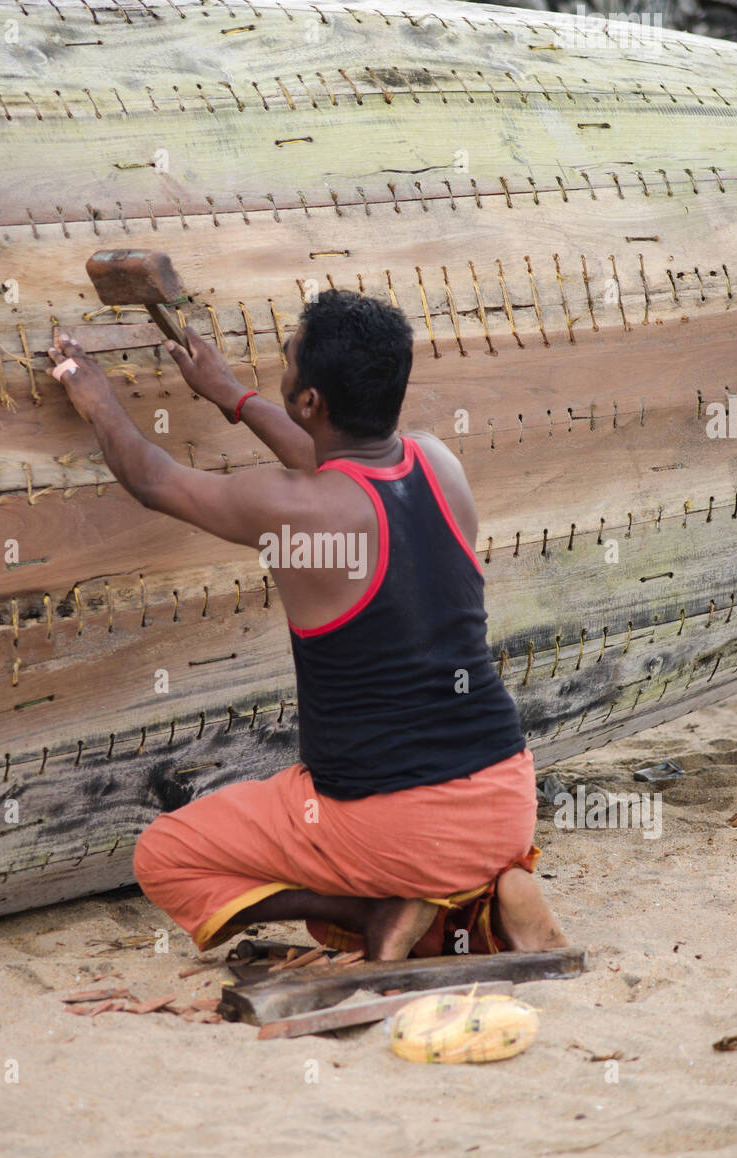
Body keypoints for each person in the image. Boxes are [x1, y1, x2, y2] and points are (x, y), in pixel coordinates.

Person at [48, 290, 568, 960]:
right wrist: (232, 396)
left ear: (309, 401)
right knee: (375, 820)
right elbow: (335, 462)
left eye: (287, 359)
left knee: (165, 854)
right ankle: (478, 898)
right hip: (503, 797)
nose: (284, 365)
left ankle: (375, 906)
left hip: (392, 823)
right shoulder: (438, 463)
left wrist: (90, 391)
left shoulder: (292, 508)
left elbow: (153, 478)